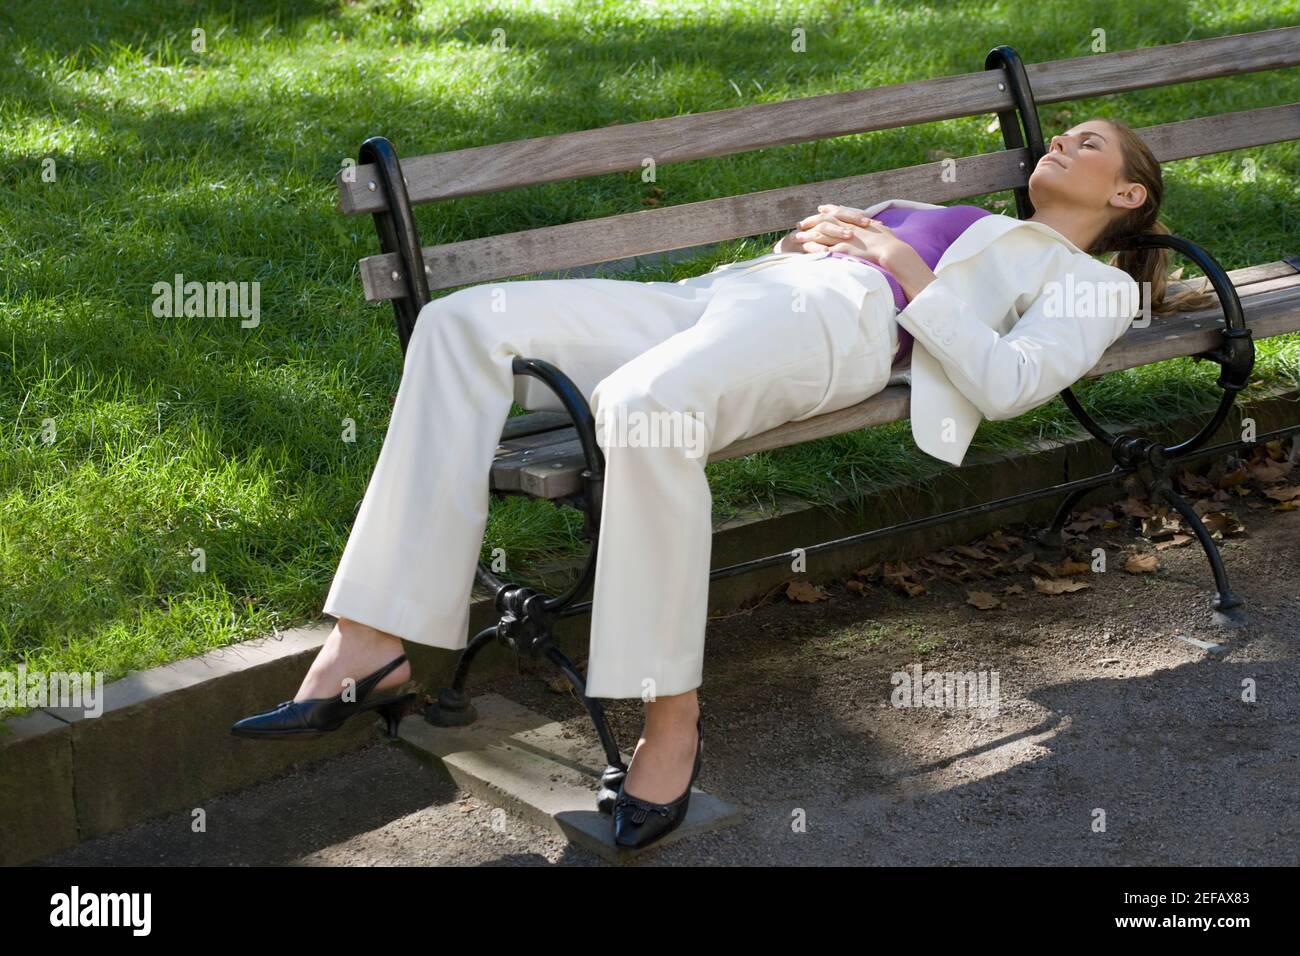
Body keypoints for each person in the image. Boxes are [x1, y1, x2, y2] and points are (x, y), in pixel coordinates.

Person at [231, 117, 1211, 849]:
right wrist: (808, 243)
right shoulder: (984, 222)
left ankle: (670, 716)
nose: (1062, 143)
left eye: (1088, 144)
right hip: (731, 295)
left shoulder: (1093, 284)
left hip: (842, 327)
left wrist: (902, 260)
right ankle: (371, 640)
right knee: (460, 325)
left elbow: (1003, 386)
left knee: (643, 408)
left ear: (1125, 196)